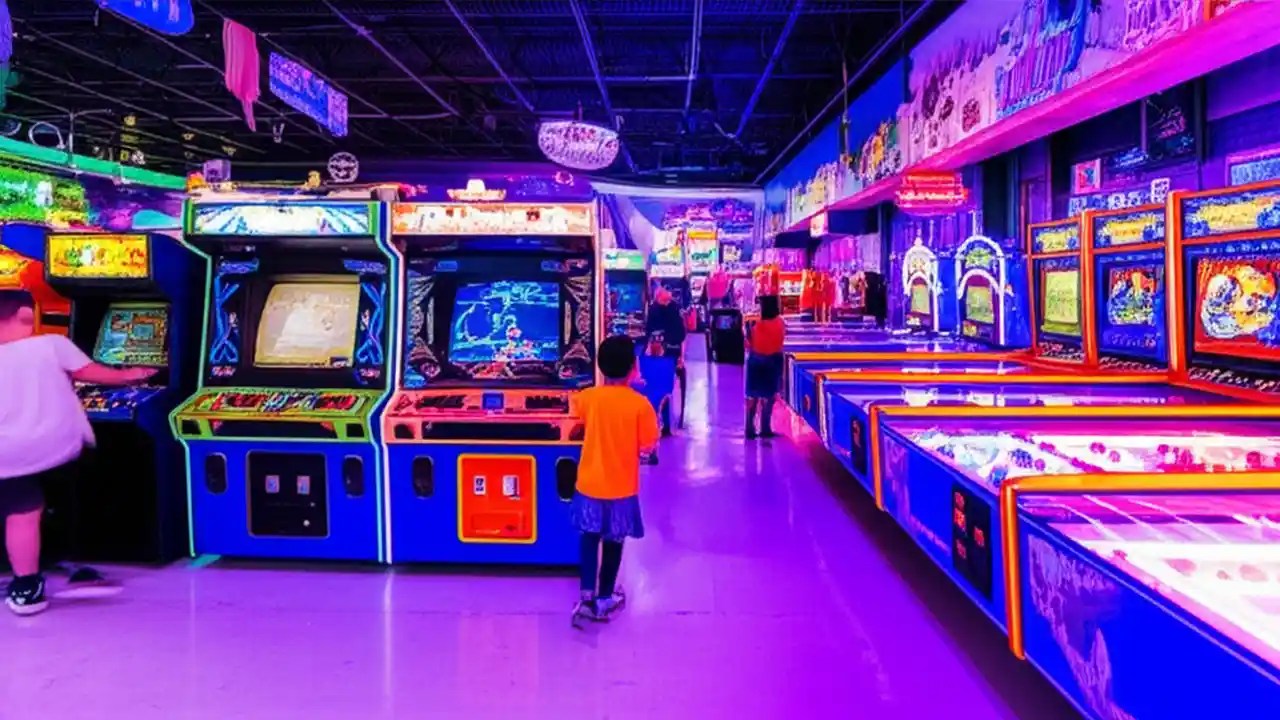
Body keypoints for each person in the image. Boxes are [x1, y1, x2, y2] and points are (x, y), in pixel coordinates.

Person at [0, 290, 155, 615]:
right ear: (26, 317)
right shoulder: (52, 346)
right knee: (27, 509)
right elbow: (93, 374)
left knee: (21, 503)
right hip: (47, 449)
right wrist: (133, 374)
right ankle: (28, 585)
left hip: (7, 452)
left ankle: (31, 573)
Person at [569, 335, 660, 623]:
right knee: (613, 542)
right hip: (620, 488)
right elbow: (649, 445)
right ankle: (604, 598)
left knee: (588, 538)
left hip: (589, 484)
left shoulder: (589, 398)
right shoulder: (640, 405)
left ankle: (585, 595)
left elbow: (574, 413)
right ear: (634, 367)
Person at [644, 287, 687, 435]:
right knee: (666, 387)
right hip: (669, 352)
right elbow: (681, 334)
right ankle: (666, 421)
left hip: (661, 353)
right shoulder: (672, 309)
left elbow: (649, 330)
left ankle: (661, 419)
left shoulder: (655, 310)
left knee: (659, 385)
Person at [744, 295, 785, 439]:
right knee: (769, 395)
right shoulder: (780, 323)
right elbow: (781, 341)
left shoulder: (754, 324)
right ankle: (765, 427)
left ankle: (749, 426)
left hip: (756, 360)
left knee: (753, 394)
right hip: (774, 360)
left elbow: (748, 344)